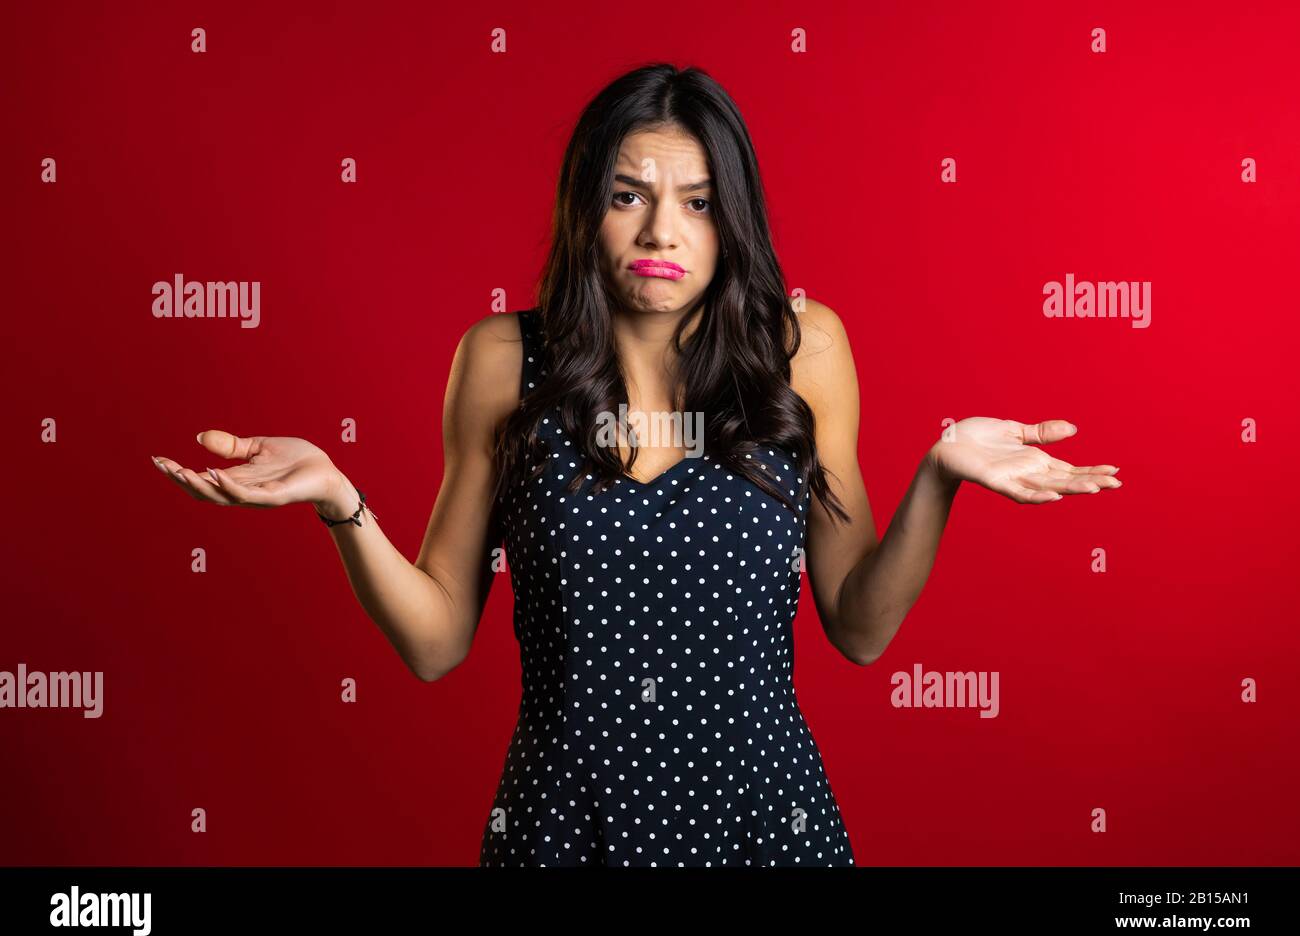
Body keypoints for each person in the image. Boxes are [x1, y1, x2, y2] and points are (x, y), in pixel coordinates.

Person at [151, 63, 1120, 866]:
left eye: (696, 203)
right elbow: (438, 639)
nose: (661, 231)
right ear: (586, 209)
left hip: (762, 824)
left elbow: (858, 628)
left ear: (728, 218)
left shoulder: (801, 347)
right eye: (629, 195)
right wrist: (339, 498)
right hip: (562, 827)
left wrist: (937, 477)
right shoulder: (501, 358)